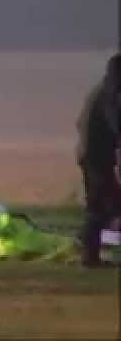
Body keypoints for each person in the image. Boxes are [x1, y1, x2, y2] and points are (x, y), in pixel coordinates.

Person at [76, 52, 121, 267]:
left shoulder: (103, 91)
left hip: (91, 153)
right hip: (95, 156)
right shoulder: (109, 96)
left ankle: (88, 252)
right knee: (101, 205)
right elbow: (115, 123)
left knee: (103, 202)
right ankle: (88, 256)